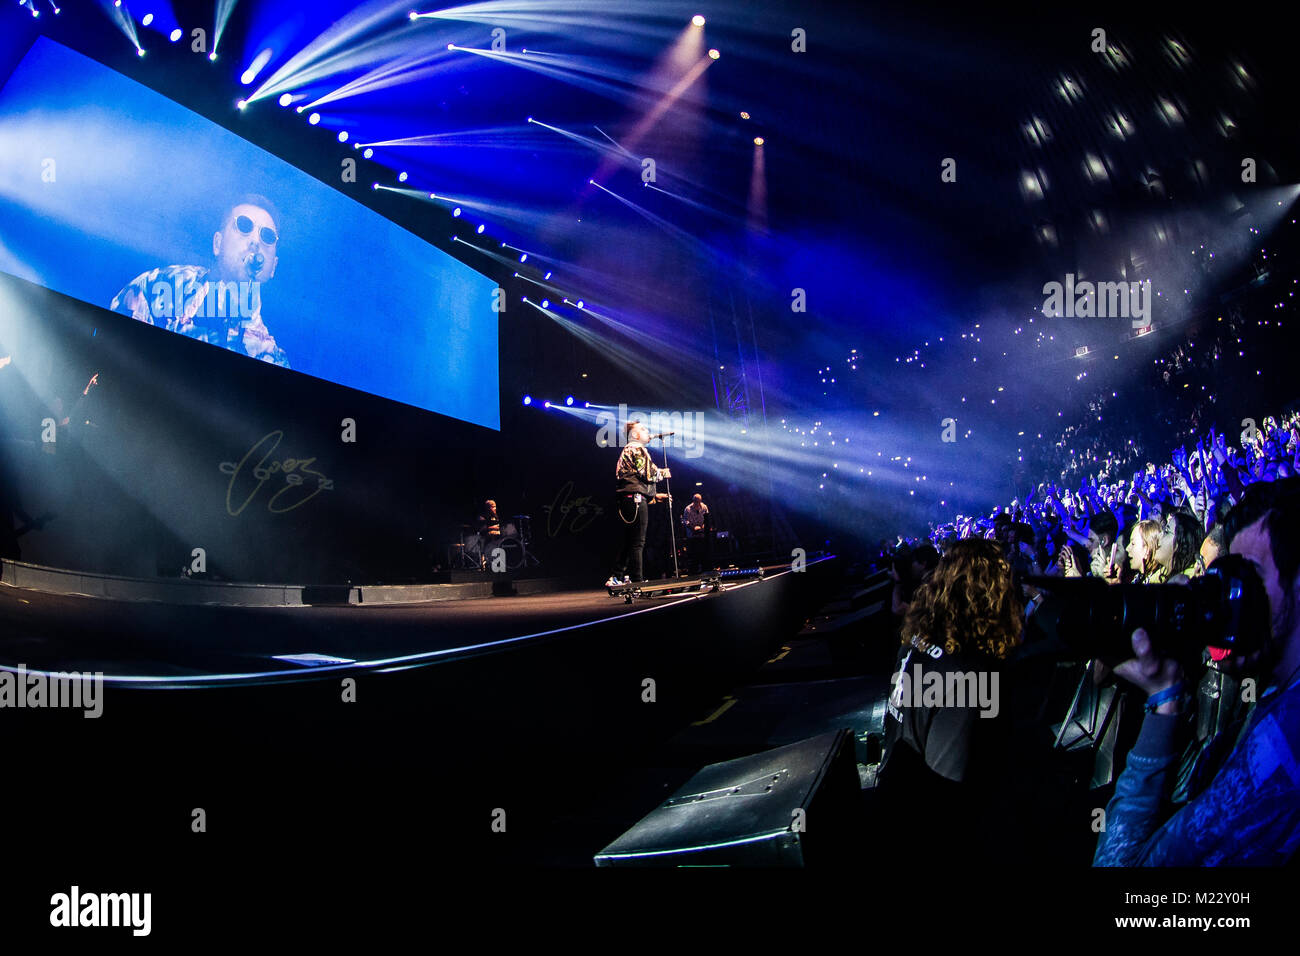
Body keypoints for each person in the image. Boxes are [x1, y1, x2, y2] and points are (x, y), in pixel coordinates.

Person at [1094, 478, 1300, 865]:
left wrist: (1165, 703)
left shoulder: (1286, 737)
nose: (1231, 597)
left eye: (1250, 577)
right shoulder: (1279, 694)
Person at [874, 538, 1025, 857]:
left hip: (893, 809)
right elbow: (946, 791)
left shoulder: (916, 641)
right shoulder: (970, 672)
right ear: (990, 592)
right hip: (929, 834)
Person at [111, 195, 289, 367]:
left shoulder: (271, 355)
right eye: (244, 226)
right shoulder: (165, 285)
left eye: (267, 237)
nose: (255, 241)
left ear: (273, 267)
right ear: (217, 244)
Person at [605, 420, 670, 587]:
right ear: (634, 435)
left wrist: (655, 496)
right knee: (638, 542)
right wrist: (663, 473)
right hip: (634, 499)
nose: (647, 431)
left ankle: (616, 576)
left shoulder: (628, 450)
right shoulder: (636, 448)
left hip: (629, 499)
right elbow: (647, 473)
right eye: (643, 429)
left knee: (630, 540)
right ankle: (637, 581)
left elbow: (634, 478)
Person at [681, 493, 710, 574]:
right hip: (692, 536)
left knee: (703, 554)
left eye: (699, 501)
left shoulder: (704, 507)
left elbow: (706, 518)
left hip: (702, 534)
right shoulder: (688, 509)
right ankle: (694, 572)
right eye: (696, 501)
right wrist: (693, 528)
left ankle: (705, 570)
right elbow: (686, 522)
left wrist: (703, 527)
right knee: (694, 556)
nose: (698, 503)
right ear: (693, 501)